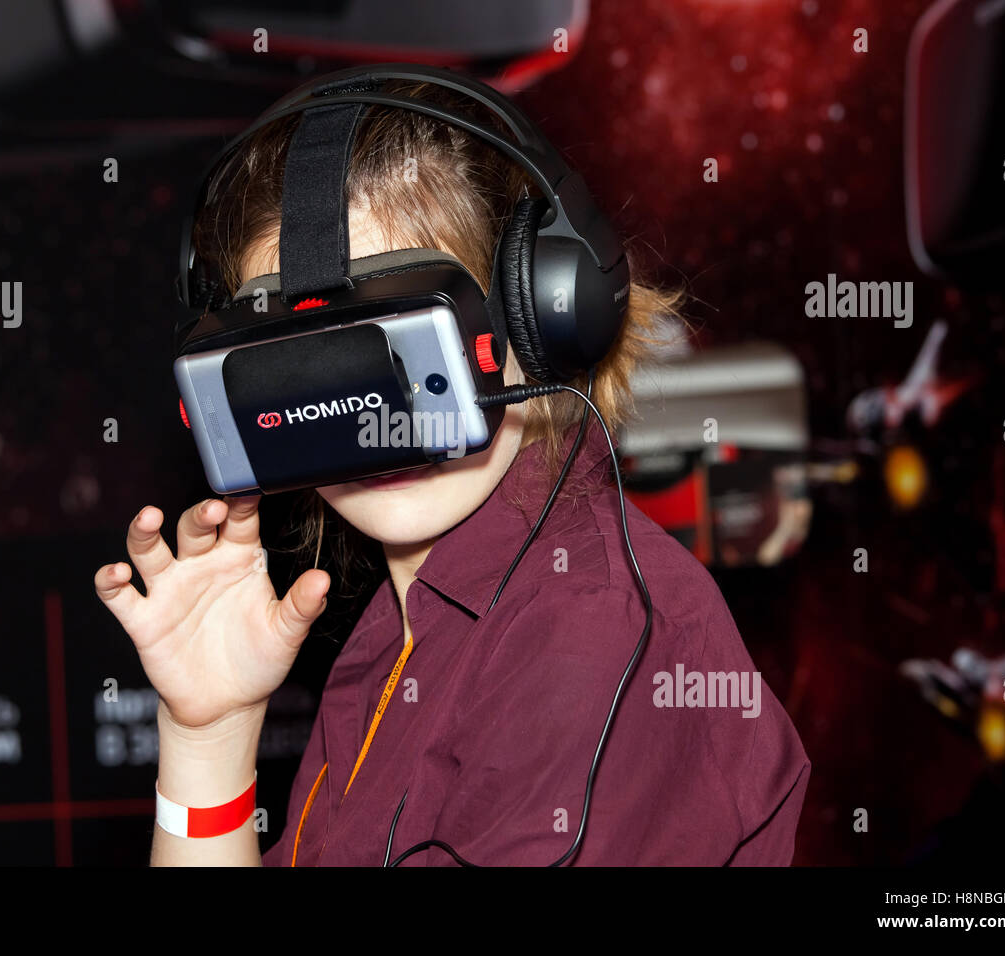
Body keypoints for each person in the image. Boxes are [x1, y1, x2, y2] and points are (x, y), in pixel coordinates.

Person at [94, 78, 810, 866]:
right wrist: (212, 737)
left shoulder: (591, 639)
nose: (374, 409)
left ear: (544, 317)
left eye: (408, 339)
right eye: (315, 362)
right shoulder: (401, 635)